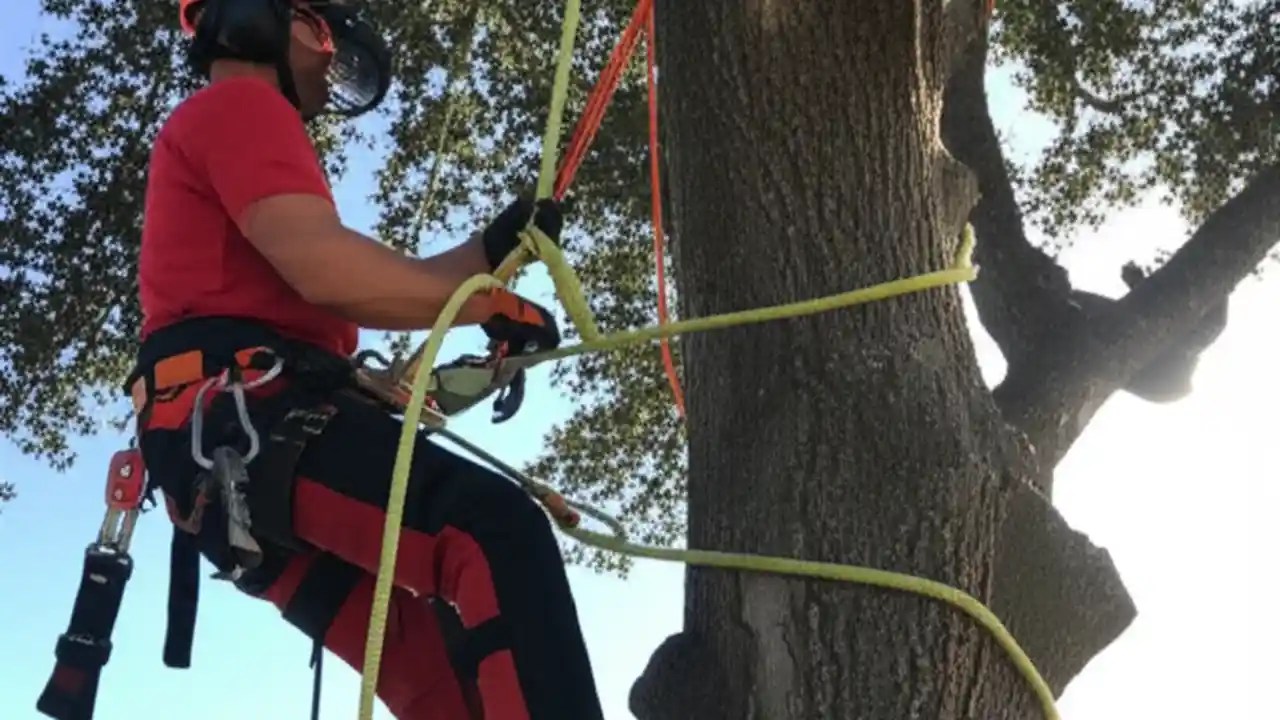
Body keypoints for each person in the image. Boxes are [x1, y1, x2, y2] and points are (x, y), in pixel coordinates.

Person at [124, 1, 606, 718]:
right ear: (256, 18)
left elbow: (379, 283)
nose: (329, 62)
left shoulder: (227, 132)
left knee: (444, 683)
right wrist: (482, 305)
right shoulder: (240, 108)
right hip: (252, 425)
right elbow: (330, 272)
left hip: (228, 465)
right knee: (491, 533)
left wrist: (490, 256)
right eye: (318, 33)